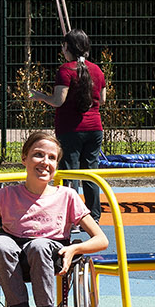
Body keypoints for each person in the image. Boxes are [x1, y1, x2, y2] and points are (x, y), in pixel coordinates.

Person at [0, 131, 108, 307]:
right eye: (38, 155)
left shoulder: (67, 196)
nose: (45, 162)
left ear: (57, 164)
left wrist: (74, 249)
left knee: (38, 246)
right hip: (10, 255)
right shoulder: (6, 195)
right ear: (24, 158)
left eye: (52, 157)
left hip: (48, 255)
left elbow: (102, 239)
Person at [29, 29, 106, 221]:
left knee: (69, 173)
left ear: (67, 47)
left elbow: (58, 101)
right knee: (91, 173)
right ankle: (93, 216)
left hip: (71, 128)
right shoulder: (96, 70)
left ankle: (72, 216)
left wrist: (40, 97)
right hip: (95, 128)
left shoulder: (65, 70)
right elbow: (102, 100)